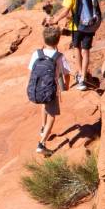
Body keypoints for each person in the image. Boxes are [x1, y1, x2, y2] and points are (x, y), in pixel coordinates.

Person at [25, 23, 71, 154]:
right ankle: (42, 144)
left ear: (43, 40)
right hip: (51, 90)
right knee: (52, 116)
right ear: (58, 40)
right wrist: (65, 87)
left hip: (37, 88)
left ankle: (42, 127)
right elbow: (66, 74)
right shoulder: (59, 57)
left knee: (44, 106)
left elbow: (31, 71)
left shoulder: (37, 53)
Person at [61, 0, 102, 90]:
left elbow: (65, 11)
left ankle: (80, 76)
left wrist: (55, 20)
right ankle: (84, 76)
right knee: (86, 51)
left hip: (77, 26)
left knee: (77, 49)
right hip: (90, 25)